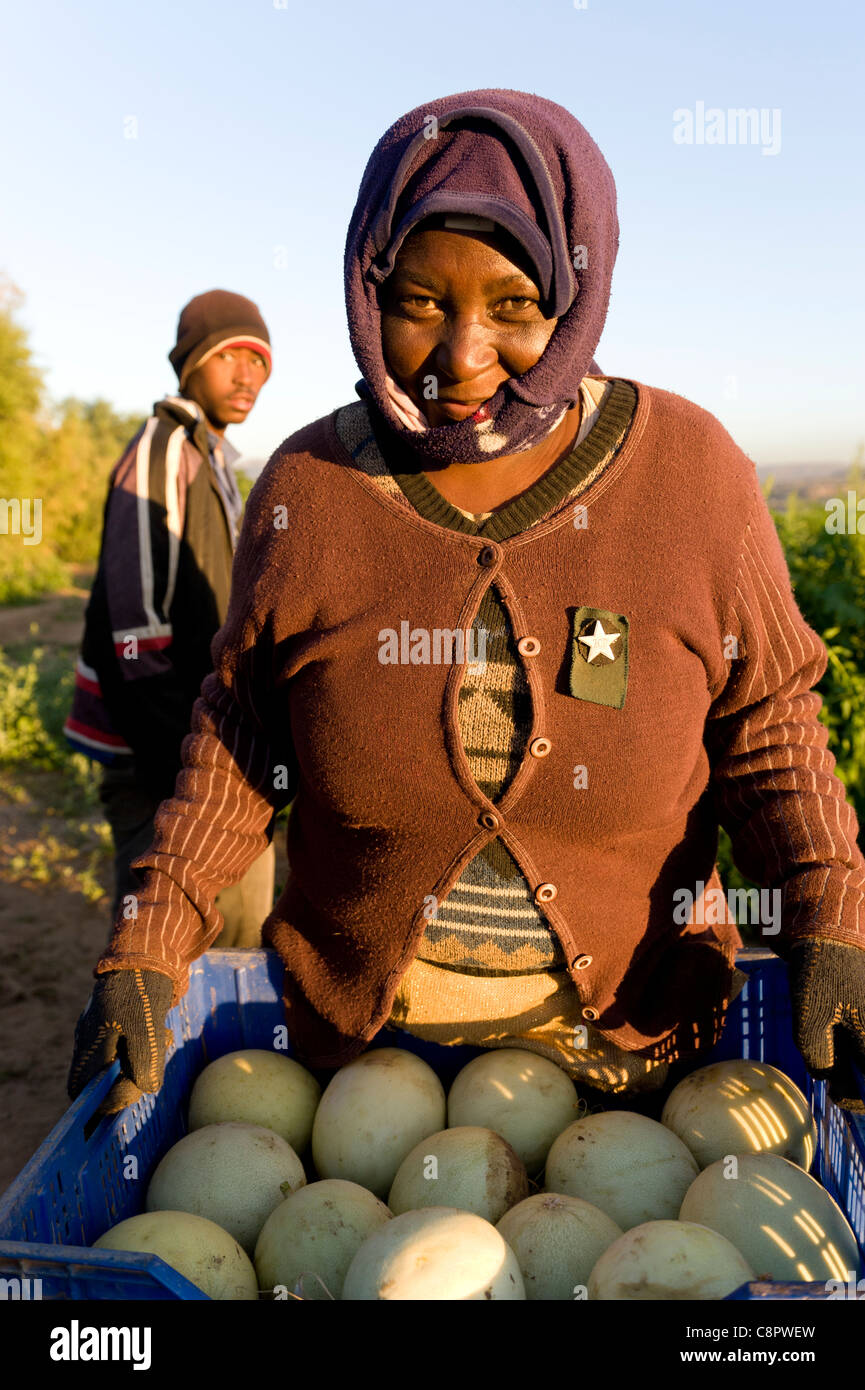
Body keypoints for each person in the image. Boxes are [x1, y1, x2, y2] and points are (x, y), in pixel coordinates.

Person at [68, 90, 865, 1117]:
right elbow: (236, 738)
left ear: (574, 294)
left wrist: (829, 915)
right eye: (418, 302)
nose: (462, 356)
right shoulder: (311, 490)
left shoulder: (691, 477)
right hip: (364, 1083)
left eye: (513, 306)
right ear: (367, 287)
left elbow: (767, 727)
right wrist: (148, 935)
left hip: (645, 1072)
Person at [64, 289, 276, 947]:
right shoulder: (163, 449)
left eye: (260, 362)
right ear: (190, 365)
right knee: (158, 941)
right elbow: (137, 627)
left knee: (225, 937)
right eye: (229, 357)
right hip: (162, 751)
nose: (248, 377)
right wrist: (183, 771)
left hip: (200, 745)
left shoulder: (214, 462)